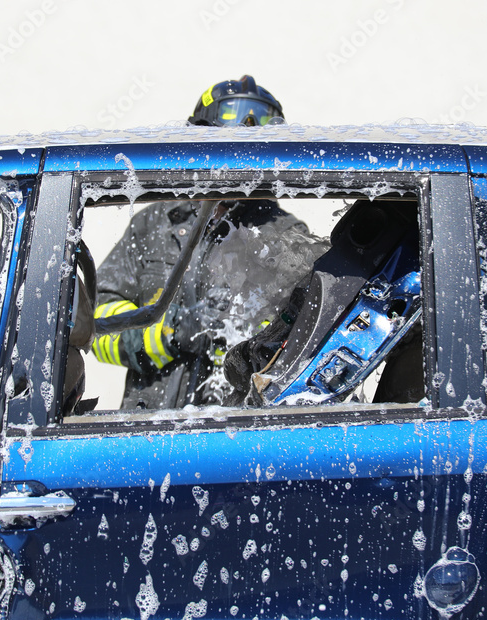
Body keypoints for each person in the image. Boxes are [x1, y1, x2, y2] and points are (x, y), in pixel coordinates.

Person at [91, 76, 330, 410]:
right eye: (223, 146)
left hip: (238, 442)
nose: (234, 164)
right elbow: (93, 327)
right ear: (197, 144)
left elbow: (309, 343)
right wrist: (168, 332)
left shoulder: (285, 235)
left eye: (250, 151)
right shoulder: (155, 223)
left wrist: (249, 339)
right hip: (147, 440)